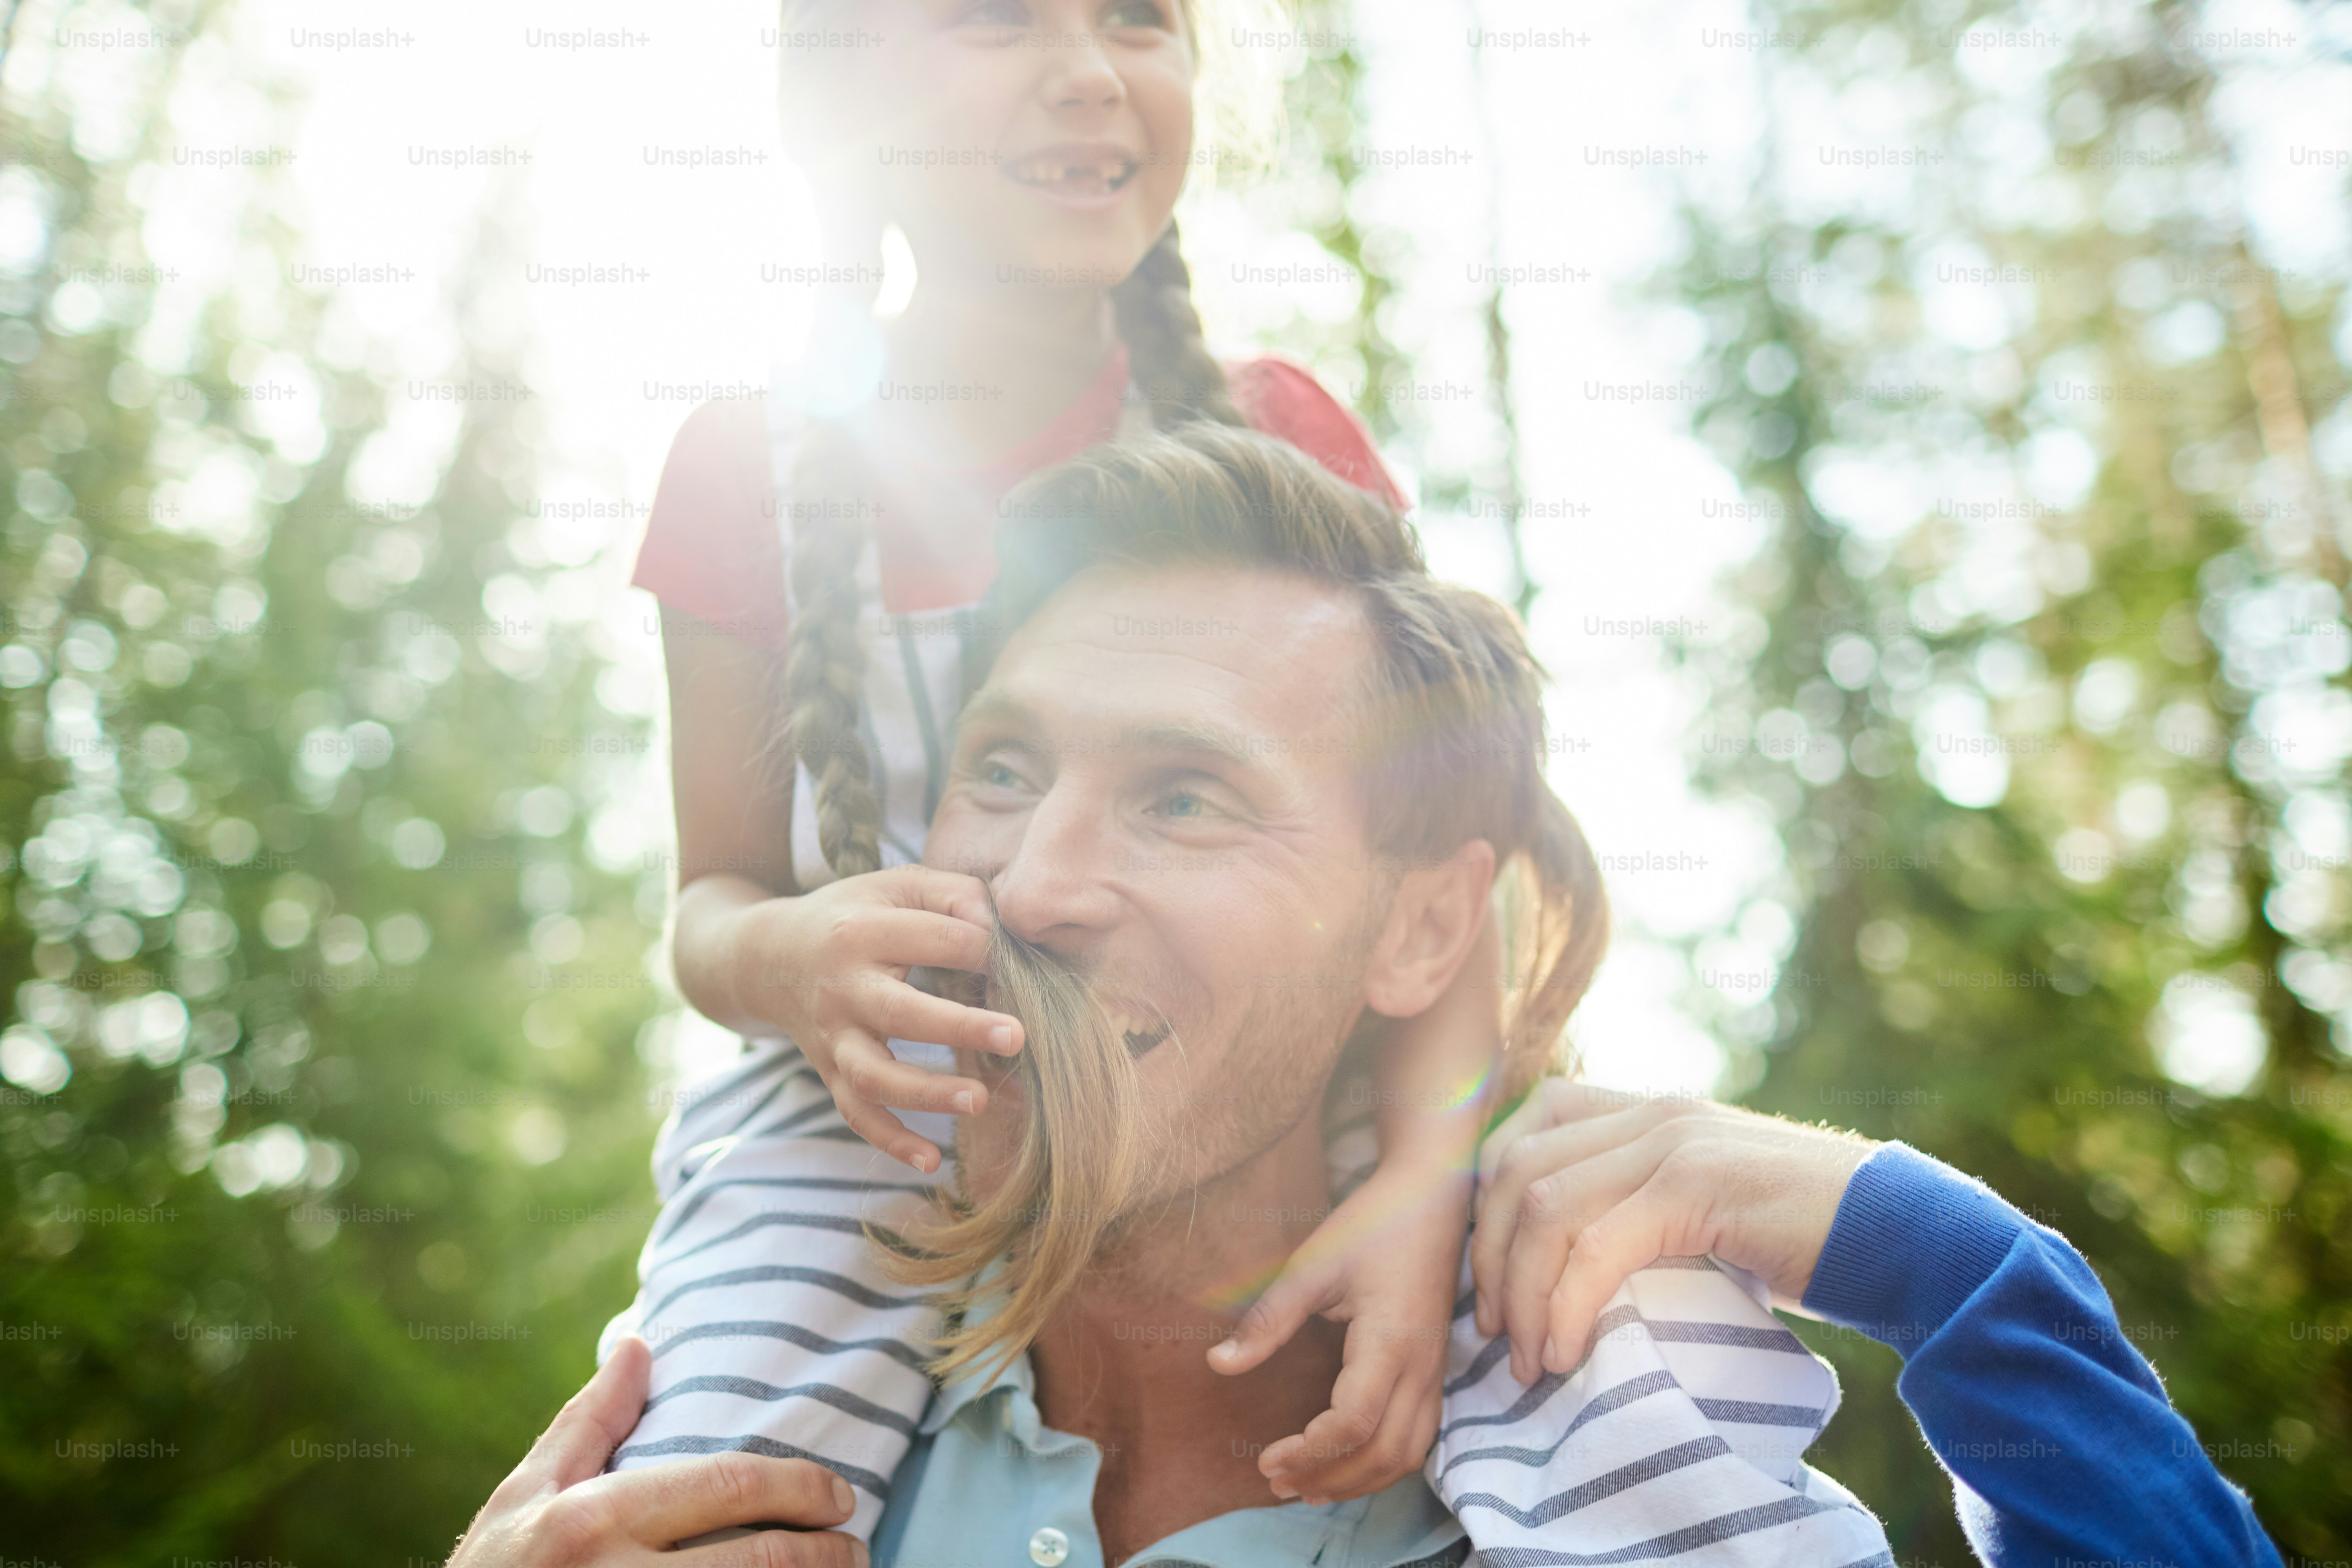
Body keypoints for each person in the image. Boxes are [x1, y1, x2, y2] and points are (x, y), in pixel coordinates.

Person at [450, 428, 2282, 1568]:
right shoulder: (739, 1449)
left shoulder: (1622, 1473)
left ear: (1424, 936)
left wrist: (1955, 1271)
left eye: (1186, 796)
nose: (1034, 884)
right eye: (1003, 772)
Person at [621, 0, 1496, 1518]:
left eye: (1139, 20)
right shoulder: (742, 465)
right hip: (866, 1123)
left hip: (1261, 1098)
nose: (1090, 72)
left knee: (1576, 1353)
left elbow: (1439, 870)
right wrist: (797, 958)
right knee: (720, 1499)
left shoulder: (1274, 436)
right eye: (1000, 18)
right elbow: (712, 900)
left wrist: (1427, 1191)